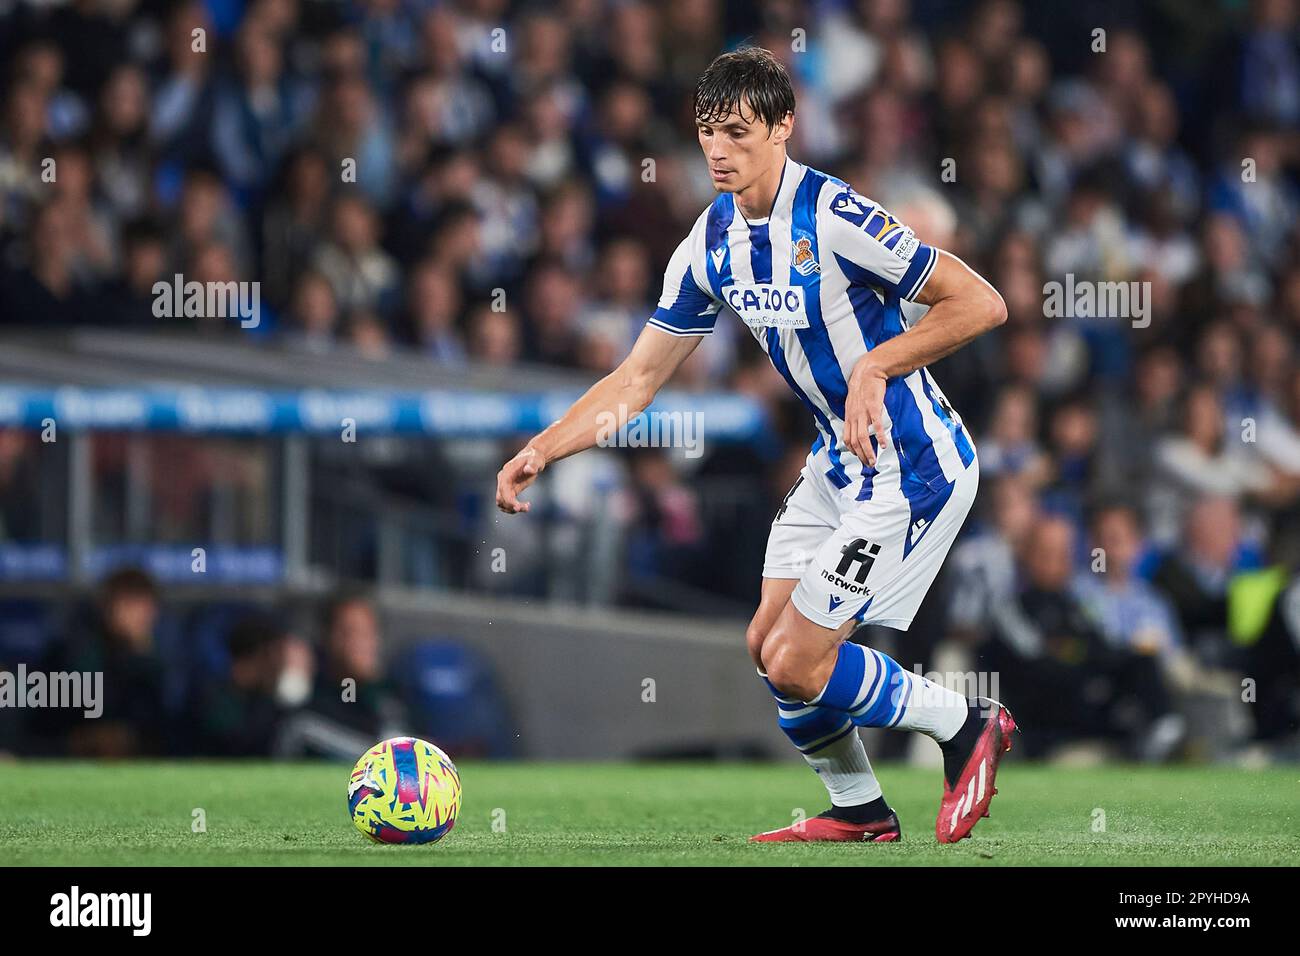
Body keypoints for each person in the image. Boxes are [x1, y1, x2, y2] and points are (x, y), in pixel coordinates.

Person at [496, 47, 1010, 844]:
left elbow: (981, 302)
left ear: (783, 127)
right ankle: (861, 811)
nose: (718, 150)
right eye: (707, 132)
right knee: (766, 646)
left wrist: (878, 361)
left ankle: (966, 723)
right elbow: (637, 380)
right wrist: (546, 447)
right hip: (839, 460)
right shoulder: (709, 242)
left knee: (802, 662)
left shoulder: (837, 217)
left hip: (913, 467)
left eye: (737, 132)